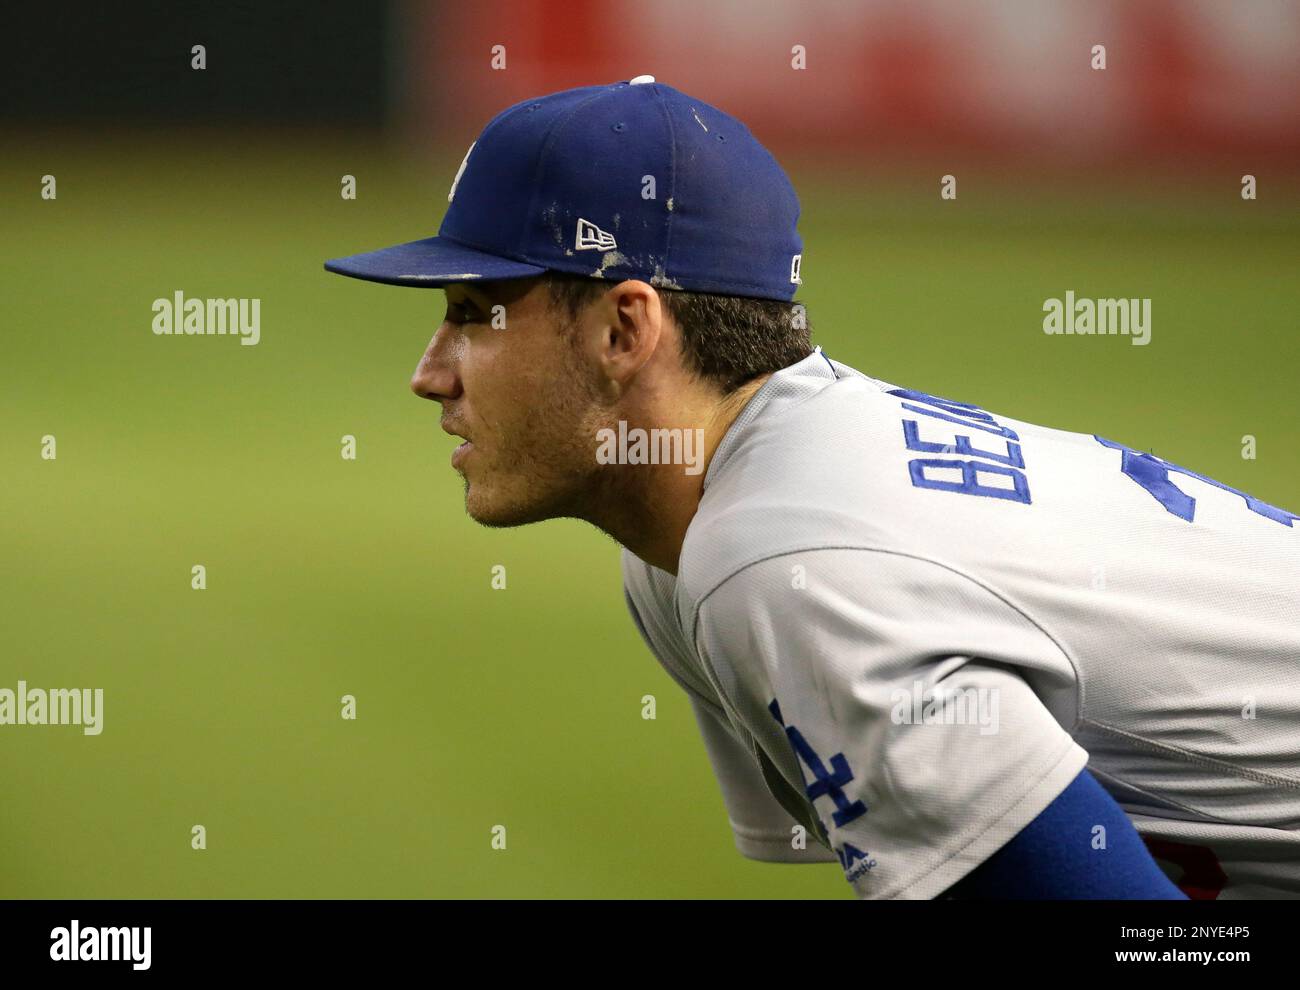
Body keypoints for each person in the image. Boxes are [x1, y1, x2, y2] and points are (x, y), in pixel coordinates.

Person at [326, 78, 1300, 899]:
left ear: (624, 330)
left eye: (471, 314)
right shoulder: (696, 537)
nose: (430, 371)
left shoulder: (791, 567)